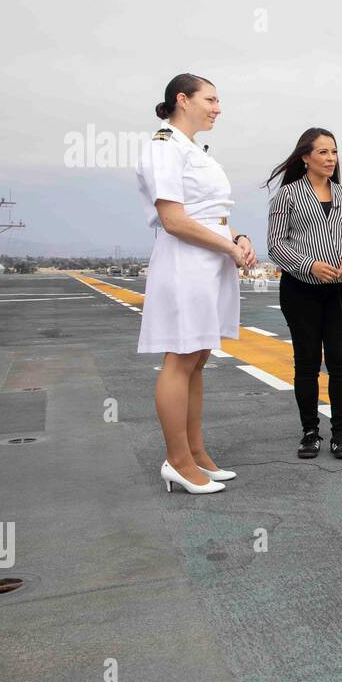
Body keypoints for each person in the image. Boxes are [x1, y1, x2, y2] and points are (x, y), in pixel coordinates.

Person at [136, 73, 257, 494]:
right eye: (211, 99)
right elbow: (173, 221)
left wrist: (236, 238)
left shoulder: (191, 149)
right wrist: (227, 248)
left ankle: (198, 453)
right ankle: (177, 461)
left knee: (198, 357)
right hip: (187, 261)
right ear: (182, 100)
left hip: (209, 259)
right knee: (180, 358)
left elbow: (210, 214)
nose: (217, 107)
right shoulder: (164, 146)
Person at [265, 128, 342, 460]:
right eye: (323, 152)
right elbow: (275, 245)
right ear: (305, 157)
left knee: (341, 362)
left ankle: (340, 433)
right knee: (307, 363)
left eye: (334, 152)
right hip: (300, 291)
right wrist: (308, 265)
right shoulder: (286, 197)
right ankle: (310, 432)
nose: (330, 159)